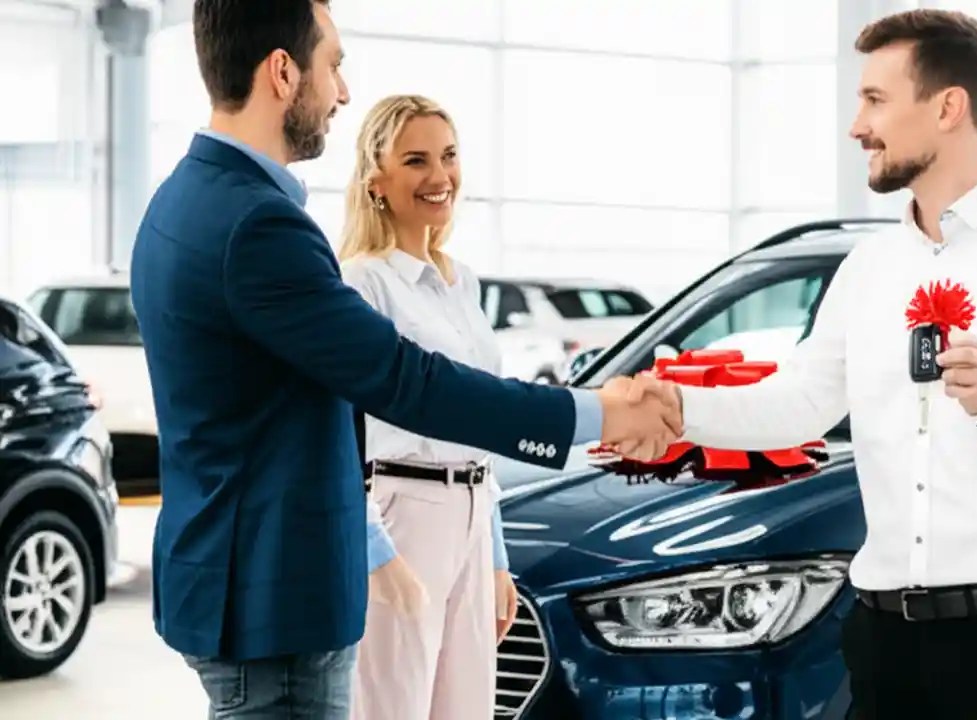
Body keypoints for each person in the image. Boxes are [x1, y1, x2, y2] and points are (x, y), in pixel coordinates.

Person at [129, 2, 678, 718]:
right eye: (334, 65)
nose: (343, 92)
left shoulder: (180, 200)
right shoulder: (260, 225)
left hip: (235, 579)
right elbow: (407, 381)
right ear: (283, 71)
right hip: (277, 598)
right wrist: (599, 410)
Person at [627, 9, 977, 719]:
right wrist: (681, 410)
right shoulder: (870, 268)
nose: (856, 125)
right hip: (882, 648)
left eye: (875, 100)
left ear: (947, 107)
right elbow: (802, 402)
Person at [336, 93, 515, 719]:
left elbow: (480, 426)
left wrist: (495, 558)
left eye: (449, 156)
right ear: (375, 180)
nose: (439, 177)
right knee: (391, 709)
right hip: (402, 512)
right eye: (416, 160)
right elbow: (336, 431)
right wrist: (376, 553)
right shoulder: (361, 282)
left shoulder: (460, 281)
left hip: (471, 507)